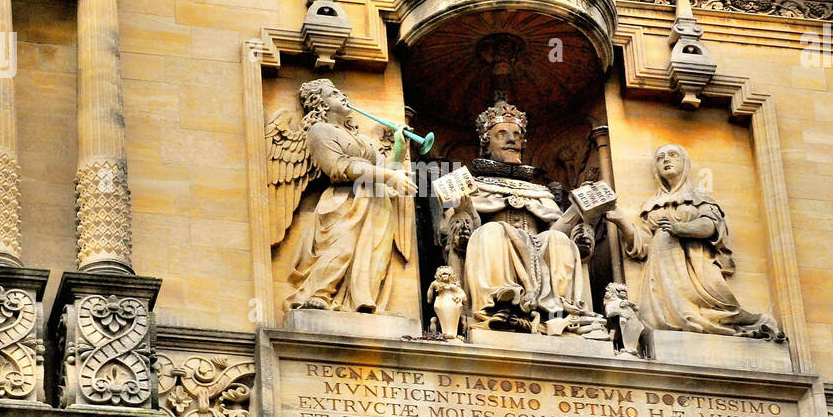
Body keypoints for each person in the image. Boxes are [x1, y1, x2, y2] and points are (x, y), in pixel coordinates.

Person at [443, 99, 608, 338]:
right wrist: (462, 219)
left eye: (517, 135)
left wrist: (577, 216)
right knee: (492, 232)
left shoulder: (540, 192)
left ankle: (561, 312)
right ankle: (499, 304)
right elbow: (457, 233)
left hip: (536, 252)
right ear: (486, 143)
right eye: (502, 134)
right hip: (496, 247)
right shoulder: (472, 187)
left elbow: (557, 230)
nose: (512, 140)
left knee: (557, 240)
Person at [606, 144, 784, 339]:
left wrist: (680, 228)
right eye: (660, 158)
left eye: (672, 155)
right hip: (661, 270)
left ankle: (757, 323)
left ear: (685, 162)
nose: (666, 160)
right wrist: (621, 221)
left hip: (696, 267)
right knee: (659, 316)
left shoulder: (699, 196)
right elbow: (643, 244)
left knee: (723, 313)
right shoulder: (650, 205)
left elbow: (710, 226)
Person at [286, 80, 415, 312]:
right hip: (344, 201)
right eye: (333, 93)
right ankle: (321, 293)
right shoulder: (320, 131)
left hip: (375, 202)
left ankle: (361, 302)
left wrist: (399, 147)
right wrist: (387, 177)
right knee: (342, 247)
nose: (342, 94)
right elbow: (339, 167)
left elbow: (387, 169)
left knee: (375, 257)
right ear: (320, 102)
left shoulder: (364, 141)